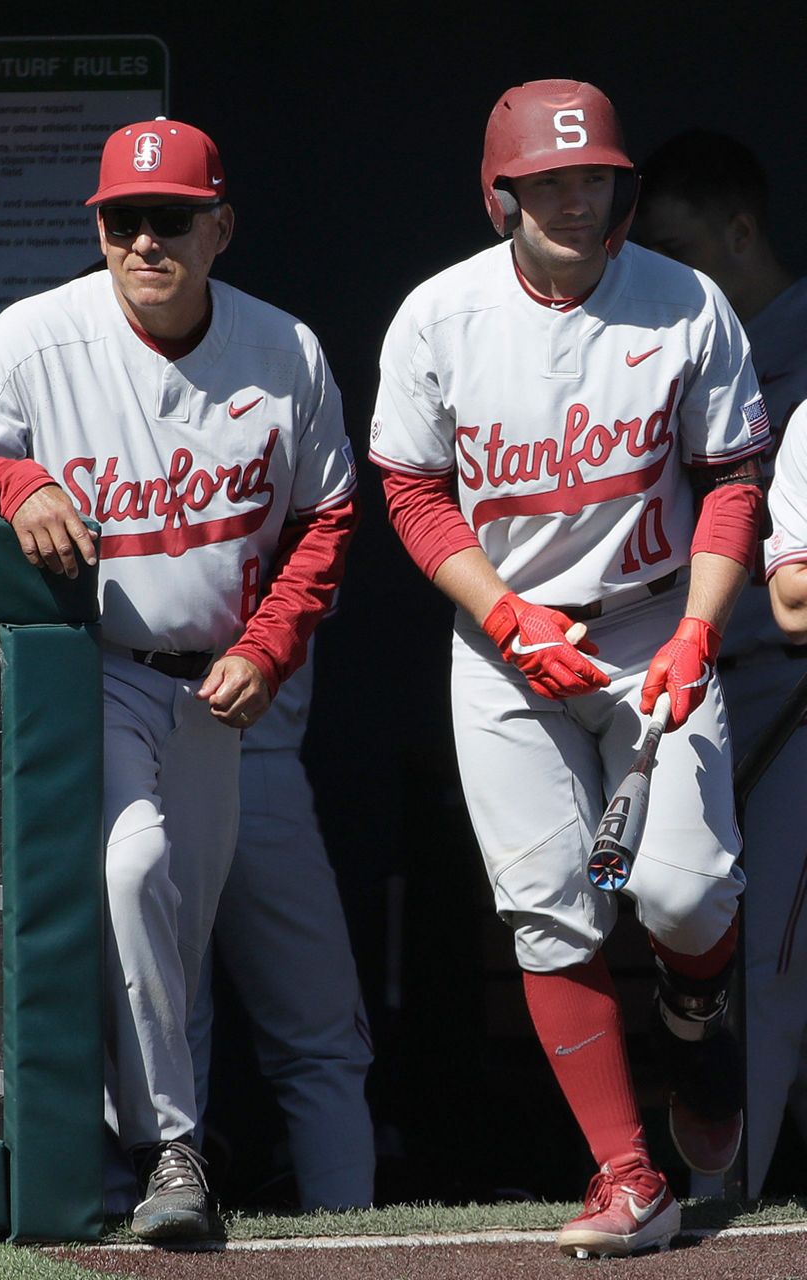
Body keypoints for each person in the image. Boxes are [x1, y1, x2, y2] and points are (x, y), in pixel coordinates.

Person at [0, 117, 359, 1241]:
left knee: (180, 938)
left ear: (220, 227)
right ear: (99, 228)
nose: (144, 242)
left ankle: (142, 1180)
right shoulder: (37, 335)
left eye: (169, 219)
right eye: (123, 220)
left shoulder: (284, 349)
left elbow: (328, 514)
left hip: (224, 682)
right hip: (100, 671)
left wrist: (271, 642)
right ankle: (171, 1149)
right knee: (131, 865)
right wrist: (14, 484)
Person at [369, 80, 767, 1259]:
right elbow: (412, 488)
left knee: (688, 894)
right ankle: (627, 1174)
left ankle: (698, 1024)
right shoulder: (440, 316)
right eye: (550, 182)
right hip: (509, 645)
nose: (577, 199)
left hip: (651, 620)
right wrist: (502, 615)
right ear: (502, 194)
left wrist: (699, 628)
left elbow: (733, 475)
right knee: (548, 908)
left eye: (592, 176)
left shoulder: (685, 300)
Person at [636, 130, 807, 1199]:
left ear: (739, 231)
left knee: (767, 960)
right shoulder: (685, 350)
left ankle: (729, 1198)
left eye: (680, 245)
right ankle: (731, 1190)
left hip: (792, 689)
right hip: (720, 684)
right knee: (717, 935)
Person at [188, 646, 376, 1211]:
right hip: (217, 759)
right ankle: (158, 1216)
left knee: (166, 1030)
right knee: (165, 1029)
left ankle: (345, 1238)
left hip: (182, 759)